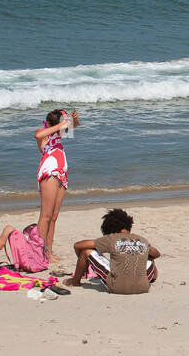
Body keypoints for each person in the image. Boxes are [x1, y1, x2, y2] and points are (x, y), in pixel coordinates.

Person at [66, 208, 161, 294]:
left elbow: (78, 245)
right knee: (150, 259)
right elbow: (156, 253)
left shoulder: (111, 238)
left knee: (86, 251)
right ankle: (153, 277)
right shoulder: (142, 240)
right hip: (143, 287)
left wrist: (84, 264)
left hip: (116, 286)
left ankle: (75, 282)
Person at [33, 109, 78, 263]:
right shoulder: (43, 131)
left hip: (61, 174)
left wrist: (73, 121)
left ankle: (48, 252)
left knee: (53, 216)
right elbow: (37, 136)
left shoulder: (57, 134)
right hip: (49, 173)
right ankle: (39, 252)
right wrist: (61, 125)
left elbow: (74, 127)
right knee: (45, 216)